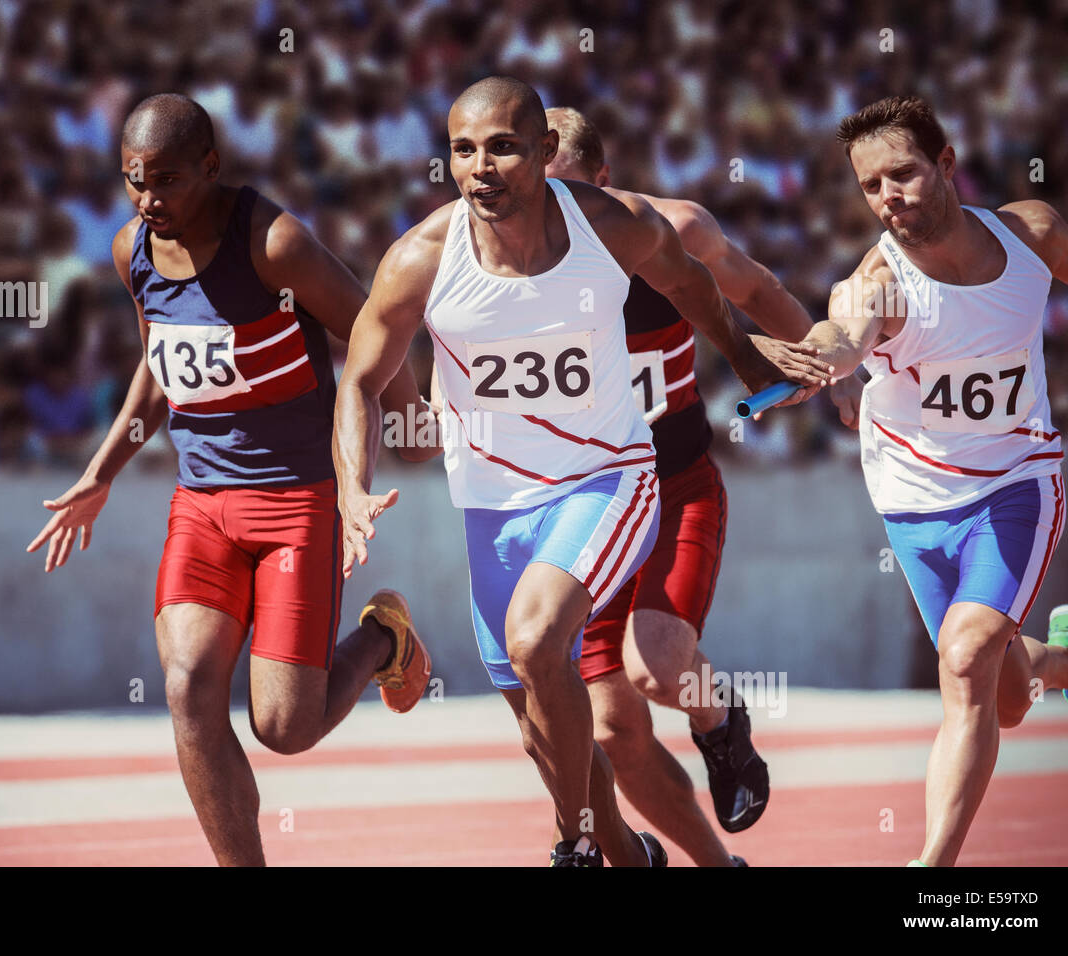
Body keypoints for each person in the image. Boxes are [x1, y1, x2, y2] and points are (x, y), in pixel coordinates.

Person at [333, 76, 829, 866]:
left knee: (642, 662)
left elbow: (735, 291)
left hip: (646, 478)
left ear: (564, 165)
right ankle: (673, 858)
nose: (484, 170)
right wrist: (356, 483)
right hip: (504, 506)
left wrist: (769, 358)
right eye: (464, 151)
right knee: (590, 729)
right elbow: (370, 378)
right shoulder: (429, 257)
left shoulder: (642, 230)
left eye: (504, 149)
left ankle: (627, 799)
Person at [26, 94, 433, 866]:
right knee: (188, 691)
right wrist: (98, 473)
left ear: (212, 168)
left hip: (295, 500)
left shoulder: (274, 244)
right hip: (203, 504)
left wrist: (411, 432)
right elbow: (156, 373)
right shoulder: (132, 252)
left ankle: (384, 638)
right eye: (133, 182)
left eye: (168, 181)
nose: (149, 201)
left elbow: (373, 326)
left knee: (286, 727)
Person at [541, 106, 861, 864]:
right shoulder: (502, 252)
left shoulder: (676, 231)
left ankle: (719, 725)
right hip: (584, 507)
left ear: (604, 184)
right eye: (537, 203)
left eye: (569, 200)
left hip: (674, 485)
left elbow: (755, 289)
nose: (553, 227)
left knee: (655, 666)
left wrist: (835, 370)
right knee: (613, 732)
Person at [779, 94, 1068, 866]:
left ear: (946, 165)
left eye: (904, 175)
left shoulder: (1032, 236)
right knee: (1006, 695)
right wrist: (824, 363)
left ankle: (932, 869)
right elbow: (841, 335)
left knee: (964, 657)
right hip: (915, 506)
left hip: (1018, 483)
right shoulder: (876, 283)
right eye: (871, 186)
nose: (890, 197)